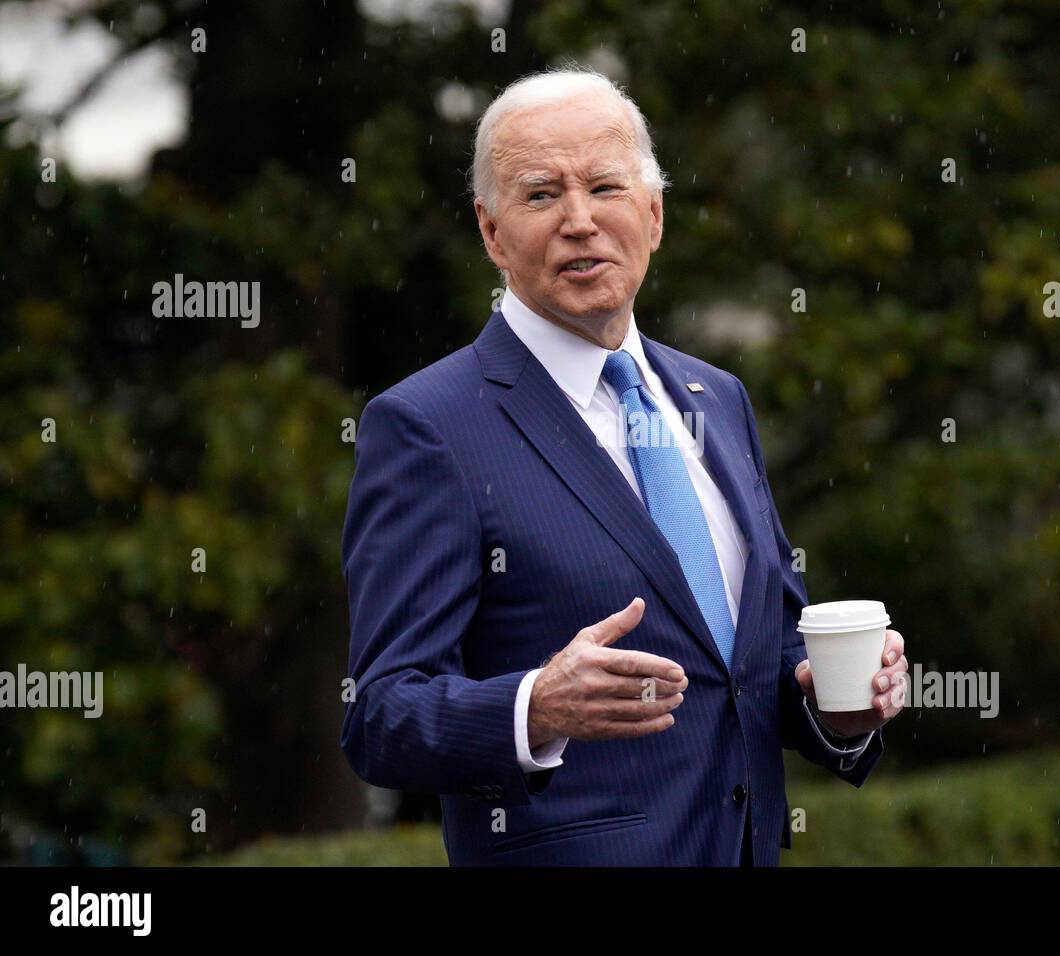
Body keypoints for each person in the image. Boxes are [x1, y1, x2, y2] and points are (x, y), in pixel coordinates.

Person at [340, 67, 908, 866]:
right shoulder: (429, 427)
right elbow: (383, 718)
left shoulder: (719, 398)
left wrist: (834, 709)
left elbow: (751, 672)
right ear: (491, 231)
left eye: (605, 186)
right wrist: (538, 706)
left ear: (653, 213)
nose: (580, 221)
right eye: (541, 195)